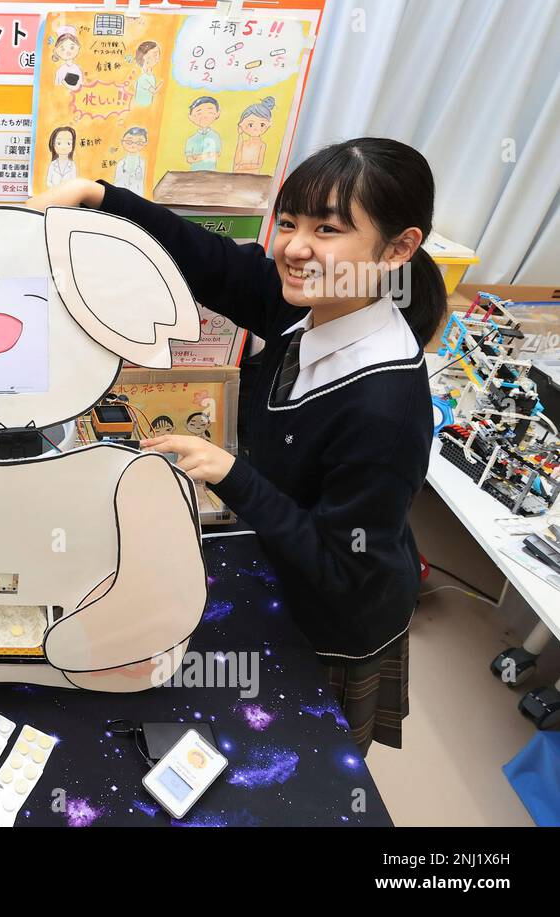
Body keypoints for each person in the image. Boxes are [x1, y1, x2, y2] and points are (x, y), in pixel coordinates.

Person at [26, 138, 444, 754]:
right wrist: (100, 197)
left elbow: (343, 571)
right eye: (290, 223)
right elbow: (212, 261)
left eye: (327, 229)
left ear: (399, 248)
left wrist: (232, 475)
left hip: (332, 621)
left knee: (295, 765)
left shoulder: (386, 409)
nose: (293, 248)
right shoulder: (311, 302)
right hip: (279, 565)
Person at [233, 97, 276, 173]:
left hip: (254, 177)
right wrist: (240, 136)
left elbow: (259, 164)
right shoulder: (242, 143)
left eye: (262, 124)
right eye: (251, 124)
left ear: (268, 125)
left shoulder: (262, 145)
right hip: (238, 175)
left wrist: (242, 166)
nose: (256, 128)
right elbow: (236, 162)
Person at [184, 97, 222, 170]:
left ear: (217, 114)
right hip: (195, 173)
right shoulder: (191, 140)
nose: (204, 117)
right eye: (199, 113)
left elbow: (217, 155)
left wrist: (198, 157)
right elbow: (189, 159)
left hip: (211, 172)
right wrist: (207, 155)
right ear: (191, 116)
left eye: (210, 112)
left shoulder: (215, 136)